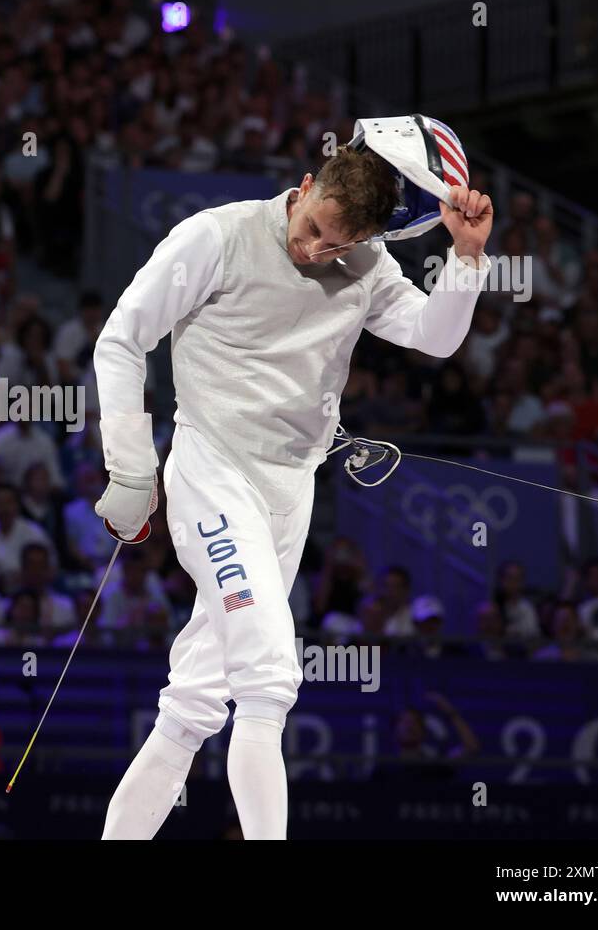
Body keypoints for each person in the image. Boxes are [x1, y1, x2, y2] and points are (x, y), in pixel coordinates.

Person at [92, 114, 492, 839]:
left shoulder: (368, 268)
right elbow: (122, 339)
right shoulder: (215, 237)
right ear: (304, 187)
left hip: (290, 492)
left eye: (336, 244)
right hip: (212, 475)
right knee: (271, 679)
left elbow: (436, 337)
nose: (314, 251)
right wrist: (130, 466)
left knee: (195, 702)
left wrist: (465, 258)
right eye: (311, 229)